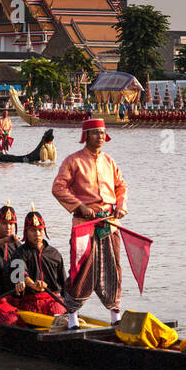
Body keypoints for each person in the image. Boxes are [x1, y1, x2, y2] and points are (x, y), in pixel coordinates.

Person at [51, 117, 128, 327]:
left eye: (102, 133)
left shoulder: (110, 161)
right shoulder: (72, 161)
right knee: (81, 267)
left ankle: (115, 317)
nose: (100, 137)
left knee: (113, 267)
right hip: (84, 225)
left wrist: (121, 205)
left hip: (110, 224)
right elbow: (58, 188)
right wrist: (80, 207)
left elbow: (122, 187)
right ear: (86, 136)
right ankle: (73, 317)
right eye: (95, 133)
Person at [10, 210, 66, 316]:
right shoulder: (18, 253)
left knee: (58, 312)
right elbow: (18, 274)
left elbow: (64, 284)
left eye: (40, 230)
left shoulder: (55, 254)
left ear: (44, 230)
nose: (37, 234)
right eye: (33, 230)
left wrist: (71, 307)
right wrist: (32, 284)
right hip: (29, 300)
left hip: (53, 299)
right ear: (26, 232)